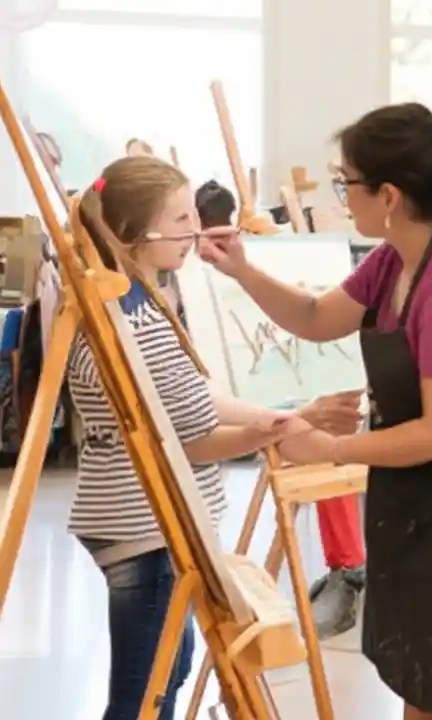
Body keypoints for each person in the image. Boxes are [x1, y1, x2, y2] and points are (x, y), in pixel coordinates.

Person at [199, 102, 432, 718]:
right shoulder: (395, 258)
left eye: (347, 184)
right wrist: (243, 270)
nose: (342, 197)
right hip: (431, 494)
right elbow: (314, 318)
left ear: (387, 194)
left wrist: (331, 448)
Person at [66, 156, 353, 720]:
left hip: (143, 517)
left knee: (167, 669)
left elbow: (198, 401)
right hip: (143, 524)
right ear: (132, 234)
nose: (194, 230)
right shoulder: (134, 324)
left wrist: (281, 418)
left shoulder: (135, 304)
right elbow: (192, 441)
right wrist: (286, 426)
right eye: (180, 218)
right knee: (144, 691)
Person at [191, 176, 368, 638]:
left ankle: (348, 569)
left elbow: (315, 314)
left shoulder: (270, 243)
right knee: (312, 444)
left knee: (331, 448)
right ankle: (345, 568)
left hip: (321, 389)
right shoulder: (195, 270)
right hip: (258, 402)